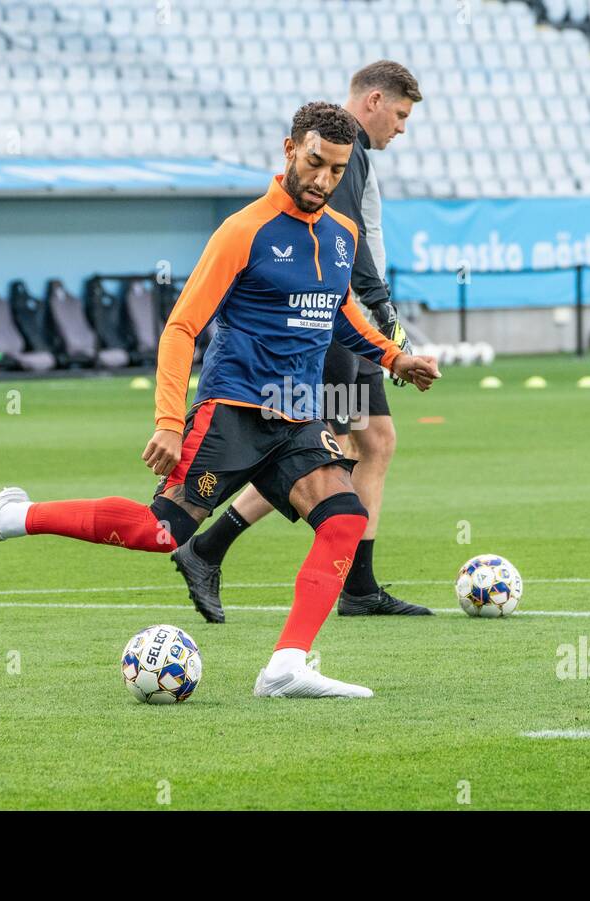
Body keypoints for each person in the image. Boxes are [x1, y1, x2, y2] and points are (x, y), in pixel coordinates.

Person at [0, 102, 442, 699]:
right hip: (235, 408)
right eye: (315, 163)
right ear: (290, 149)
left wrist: (392, 356)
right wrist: (170, 422)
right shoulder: (243, 231)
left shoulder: (342, 234)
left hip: (299, 415)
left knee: (344, 518)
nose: (323, 181)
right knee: (159, 532)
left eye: (335, 170)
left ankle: (286, 667)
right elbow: (180, 327)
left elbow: (339, 309)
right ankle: (10, 516)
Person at [171, 60, 429, 624]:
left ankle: (215, 551)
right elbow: (336, 238)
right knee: (332, 446)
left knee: (356, 444)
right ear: (375, 100)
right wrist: (381, 306)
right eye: (401, 115)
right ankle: (347, 584)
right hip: (324, 319)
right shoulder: (346, 151)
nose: (402, 128)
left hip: (336, 316)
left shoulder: (347, 155)